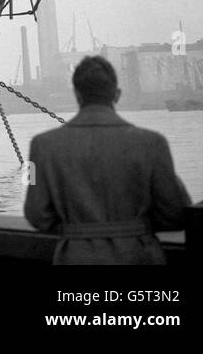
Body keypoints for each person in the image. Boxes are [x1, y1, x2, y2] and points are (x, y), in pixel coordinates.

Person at [24, 55, 191, 265]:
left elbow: (36, 214)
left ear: (77, 94)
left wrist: (76, 228)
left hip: (76, 257)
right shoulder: (153, 143)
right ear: (117, 94)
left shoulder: (42, 145)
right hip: (139, 255)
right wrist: (136, 226)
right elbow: (175, 213)